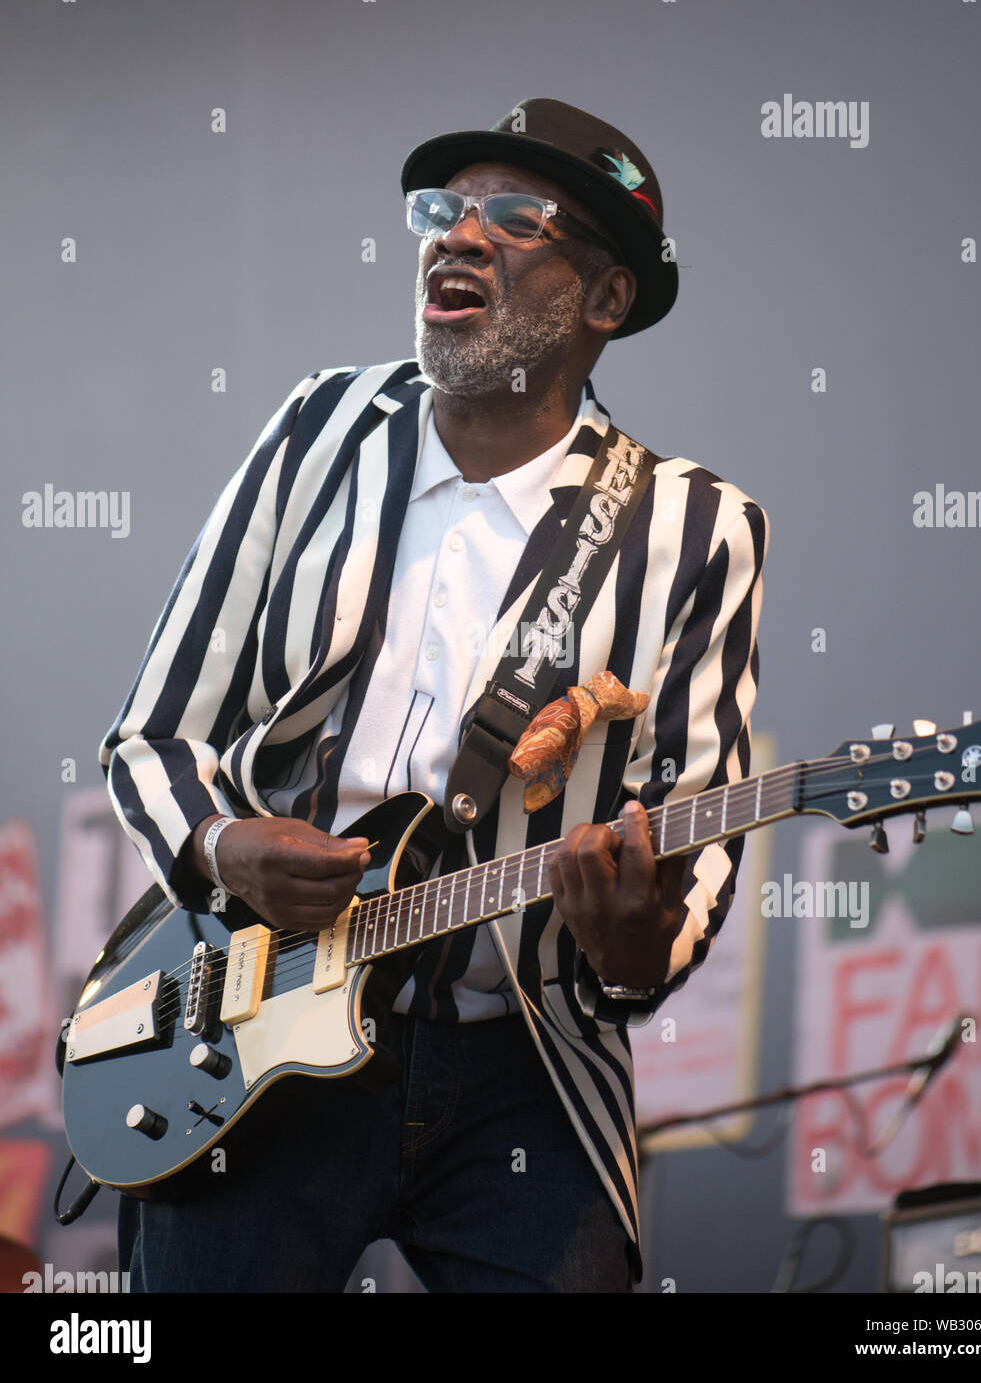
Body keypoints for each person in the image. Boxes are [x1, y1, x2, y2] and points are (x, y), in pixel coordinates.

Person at [101, 98, 768, 1292]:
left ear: (604, 300)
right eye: (442, 211)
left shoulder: (696, 526)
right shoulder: (312, 434)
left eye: (515, 218)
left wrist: (635, 945)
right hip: (248, 1029)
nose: (459, 237)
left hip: (524, 1061)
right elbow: (153, 737)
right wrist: (224, 843)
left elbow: (698, 821)